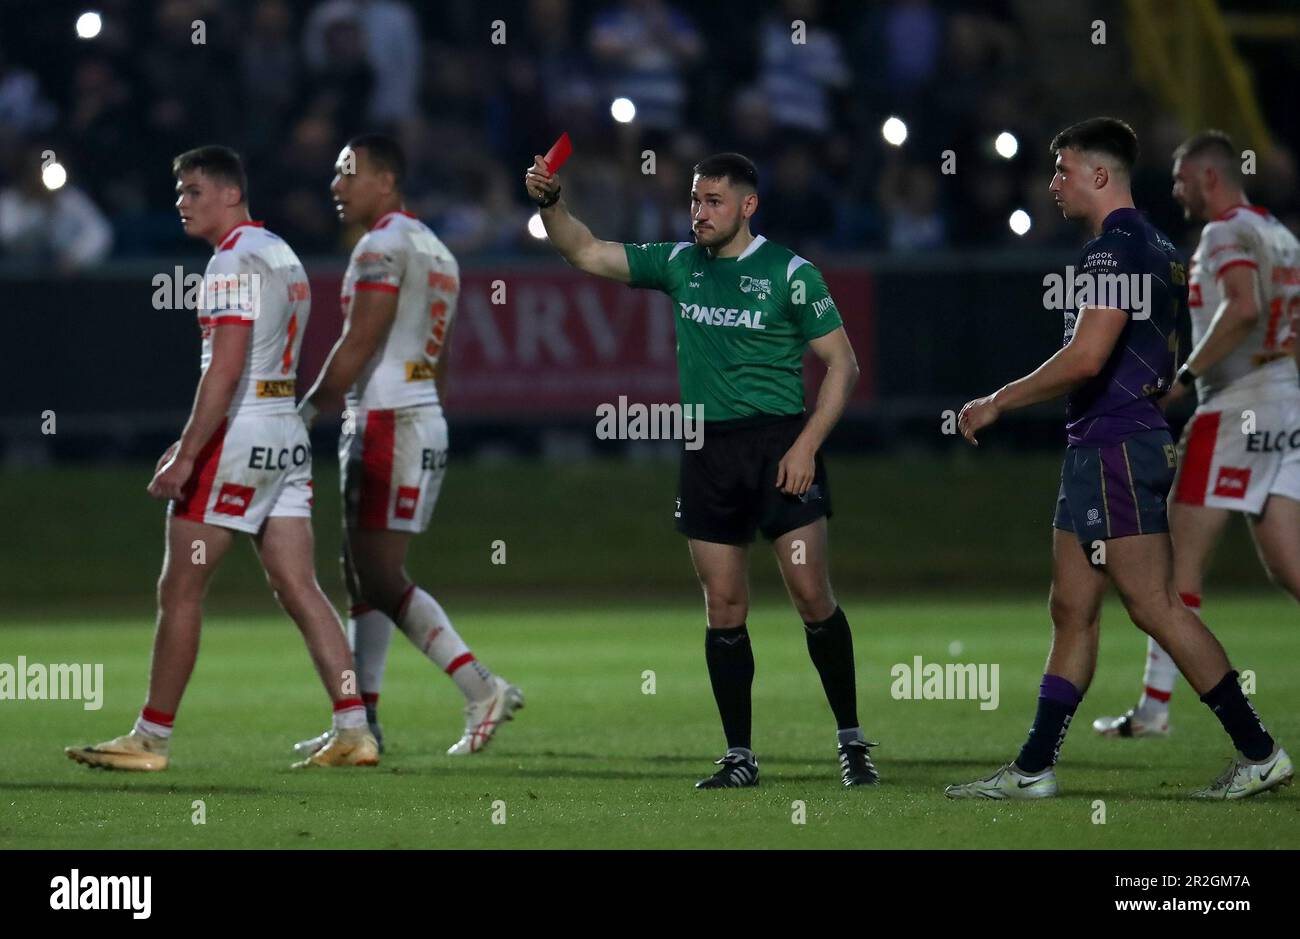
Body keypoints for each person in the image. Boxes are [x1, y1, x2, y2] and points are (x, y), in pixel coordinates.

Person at [948, 118, 1291, 800]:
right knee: (1072, 605)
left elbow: (1087, 355)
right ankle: (1034, 767)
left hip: (1116, 448)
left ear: (1099, 175)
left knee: (1155, 604)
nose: (1053, 185)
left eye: (1063, 170)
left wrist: (997, 399)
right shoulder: (1160, 244)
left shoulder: (1114, 248)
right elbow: (1150, 352)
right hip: (1101, 445)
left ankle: (1259, 750)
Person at [525, 149, 875, 789]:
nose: (699, 213)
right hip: (709, 452)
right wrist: (551, 203)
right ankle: (740, 756)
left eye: (713, 201)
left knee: (810, 597)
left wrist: (805, 446)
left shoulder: (791, 273)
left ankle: (852, 741)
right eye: (694, 200)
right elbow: (585, 251)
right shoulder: (680, 264)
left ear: (748, 205)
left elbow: (843, 365)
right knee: (724, 605)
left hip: (780, 449)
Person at [66, 145, 378, 771]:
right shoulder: (281, 253)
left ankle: (151, 738)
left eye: (193, 191)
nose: (181, 203)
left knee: (180, 588)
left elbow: (227, 369)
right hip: (284, 430)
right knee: (299, 584)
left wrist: (187, 451)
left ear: (231, 194)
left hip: (240, 432)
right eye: (179, 192)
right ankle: (354, 729)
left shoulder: (230, 261)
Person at [294, 134, 523, 759]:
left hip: (388, 421)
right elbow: (442, 356)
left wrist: (302, 413)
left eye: (349, 173)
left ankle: (481, 688)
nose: (336, 187)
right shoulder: (437, 248)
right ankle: (361, 722)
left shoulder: (382, 245)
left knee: (378, 573)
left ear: (387, 181)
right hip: (415, 414)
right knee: (361, 576)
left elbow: (359, 342)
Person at [1093, 130, 1300, 739]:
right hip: (1285, 406)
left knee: (1172, 571)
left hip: (1235, 408)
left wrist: (1184, 375)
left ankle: (1156, 708)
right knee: (1290, 567)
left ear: (1210, 178)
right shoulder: (1281, 234)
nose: (1176, 188)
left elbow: (1241, 307)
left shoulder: (1223, 234)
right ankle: (1156, 706)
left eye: (1182, 177)